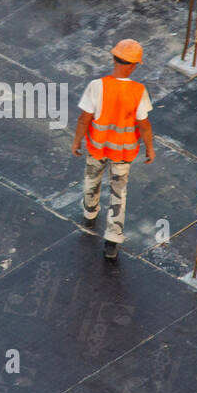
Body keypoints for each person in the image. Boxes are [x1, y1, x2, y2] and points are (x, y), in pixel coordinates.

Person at [71, 38, 155, 259]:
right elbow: (143, 124)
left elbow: (84, 119)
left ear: (114, 58)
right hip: (122, 154)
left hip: (97, 148)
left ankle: (90, 213)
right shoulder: (138, 91)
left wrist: (77, 140)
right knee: (119, 193)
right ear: (134, 65)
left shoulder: (96, 86)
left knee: (92, 180)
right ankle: (112, 241)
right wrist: (149, 147)